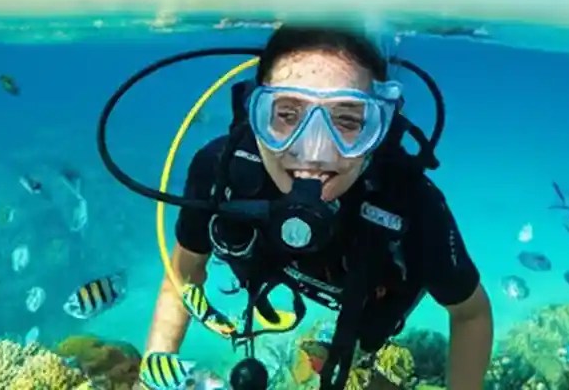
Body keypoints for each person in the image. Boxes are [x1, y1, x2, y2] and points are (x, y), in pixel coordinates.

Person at [135, 25, 492, 390]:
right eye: (288, 115)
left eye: (348, 120)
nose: (314, 151)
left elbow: (471, 314)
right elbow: (183, 274)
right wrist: (153, 376)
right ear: (255, 115)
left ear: (379, 129)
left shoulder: (410, 204)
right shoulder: (221, 171)